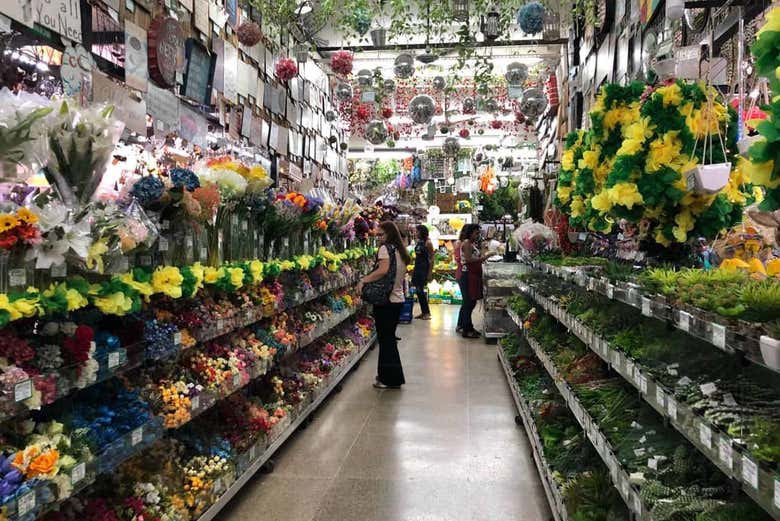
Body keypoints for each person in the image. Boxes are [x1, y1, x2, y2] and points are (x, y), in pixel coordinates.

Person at [357, 221, 411, 389]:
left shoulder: (385, 249)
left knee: (386, 340)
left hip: (386, 300)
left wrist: (363, 280)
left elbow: (383, 270)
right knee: (389, 339)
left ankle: (388, 378)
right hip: (397, 299)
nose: (379, 238)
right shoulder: (401, 251)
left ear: (390, 234)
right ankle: (391, 376)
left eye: (381, 235)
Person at [460, 224, 486, 339]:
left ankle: (469, 327)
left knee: (471, 302)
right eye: (476, 233)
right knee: (468, 303)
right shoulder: (466, 243)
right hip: (467, 276)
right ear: (470, 233)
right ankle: (466, 329)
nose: (477, 235)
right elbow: (469, 259)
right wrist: (484, 258)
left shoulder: (471, 244)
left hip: (472, 276)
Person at [412, 224, 434, 320]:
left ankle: (427, 313)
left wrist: (430, 273)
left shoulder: (428, 243)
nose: (415, 233)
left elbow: (432, 258)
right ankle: (423, 312)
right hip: (417, 268)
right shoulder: (419, 242)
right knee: (418, 290)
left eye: (417, 231)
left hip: (423, 269)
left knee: (420, 290)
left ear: (422, 232)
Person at [454, 226, 469, 334]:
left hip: (461, 273)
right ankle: (461, 324)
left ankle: (461, 324)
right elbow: (460, 259)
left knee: (466, 301)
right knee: (466, 301)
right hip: (462, 273)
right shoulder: (461, 244)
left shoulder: (462, 243)